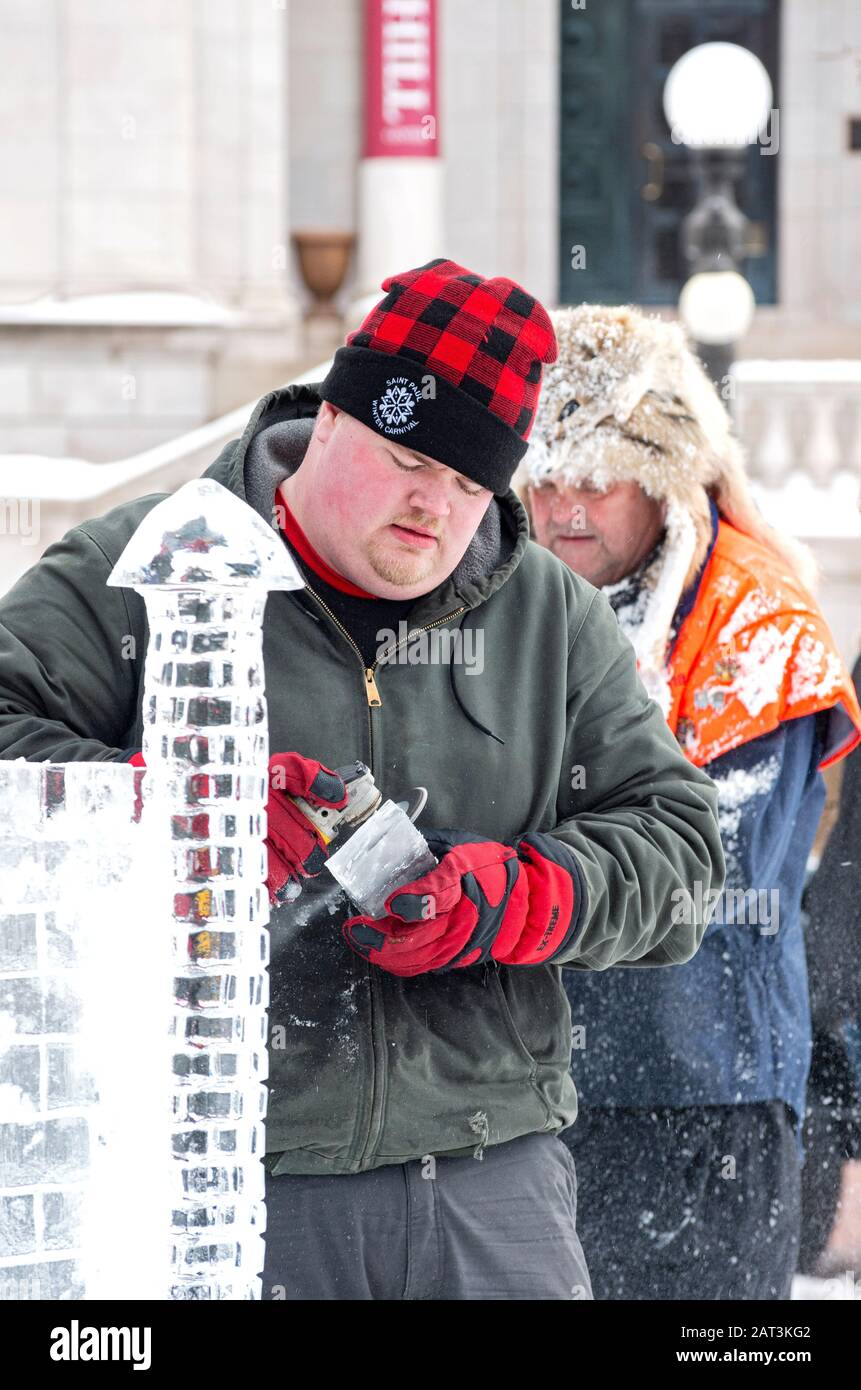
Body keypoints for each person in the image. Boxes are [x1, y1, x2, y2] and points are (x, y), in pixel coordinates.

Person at [0, 262, 724, 1301]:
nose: (436, 506)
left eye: (473, 483)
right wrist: (185, 814)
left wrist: (511, 900)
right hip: (218, 1178)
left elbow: (687, 851)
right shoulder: (146, 569)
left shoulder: (549, 619)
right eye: (406, 458)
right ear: (330, 417)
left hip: (491, 1177)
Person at [516, 303, 861, 1301]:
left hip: (707, 1093)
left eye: (596, 477)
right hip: (537, 1086)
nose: (564, 507)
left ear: (667, 480)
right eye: (544, 479)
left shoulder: (756, 614)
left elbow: (698, 861)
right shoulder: (523, 595)